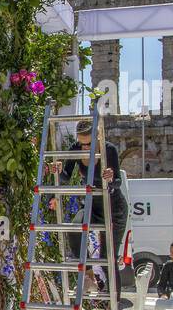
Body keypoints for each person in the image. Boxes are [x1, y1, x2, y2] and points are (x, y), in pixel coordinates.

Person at [50, 120, 126, 286]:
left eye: (89, 144)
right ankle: (90, 274)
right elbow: (66, 177)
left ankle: (113, 304)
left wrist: (111, 177)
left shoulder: (109, 149)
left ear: (98, 137)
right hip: (93, 205)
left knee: (108, 258)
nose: (85, 148)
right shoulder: (76, 149)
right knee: (74, 228)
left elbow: (118, 182)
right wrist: (58, 170)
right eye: (82, 143)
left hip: (114, 207)